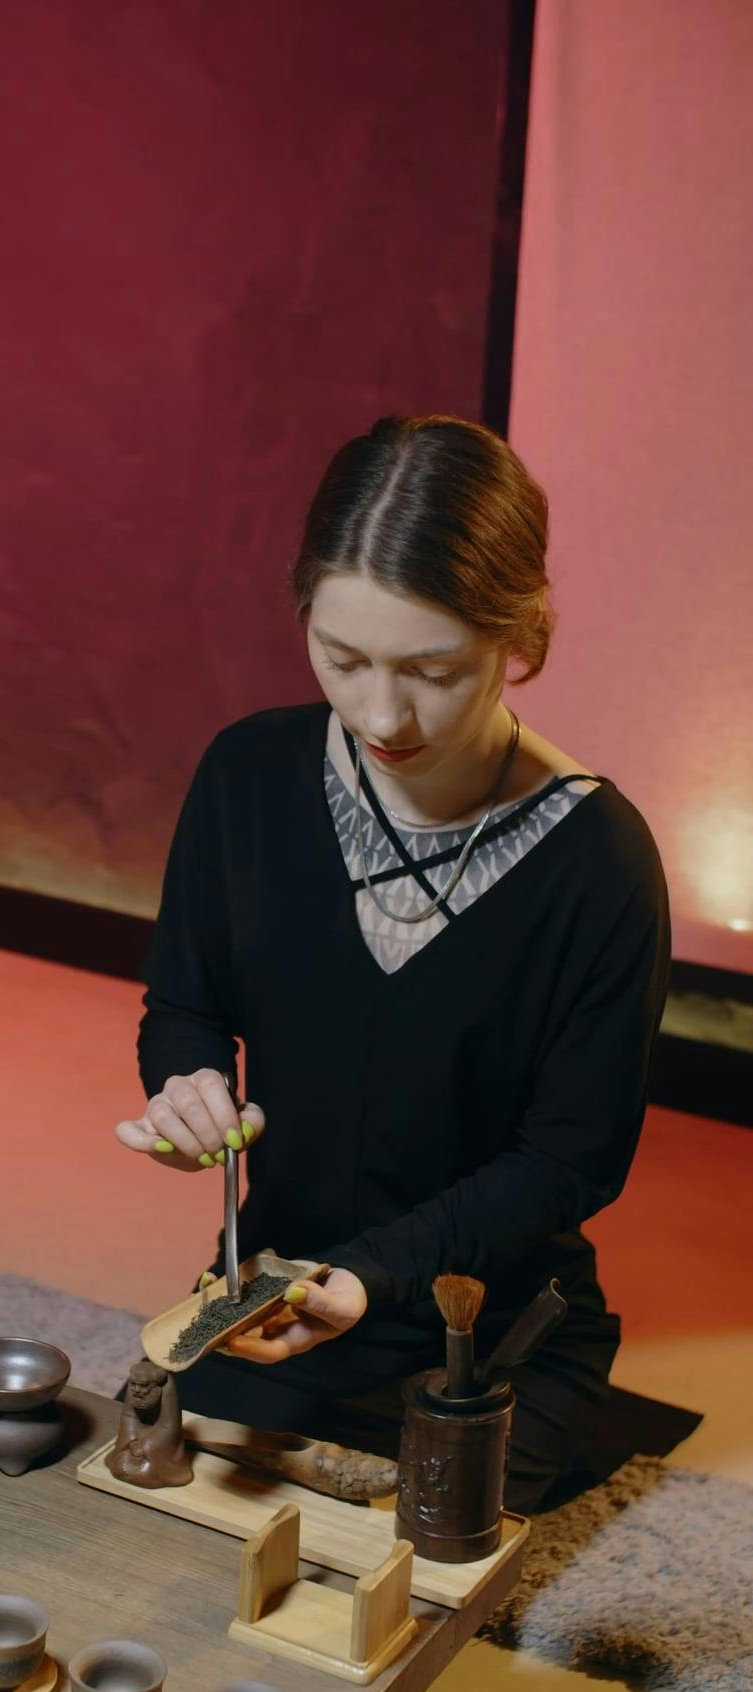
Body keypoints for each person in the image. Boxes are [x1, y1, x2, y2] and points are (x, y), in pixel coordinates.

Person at [116, 413, 670, 1519]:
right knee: (175, 1512)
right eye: (343, 658)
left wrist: (369, 1279)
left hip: (490, 1321)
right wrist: (186, 1090)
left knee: (425, 1530)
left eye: (433, 670)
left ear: (518, 634)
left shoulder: (599, 861)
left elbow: (569, 1162)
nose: (381, 713)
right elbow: (182, 1004)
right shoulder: (248, 774)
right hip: (278, 1302)